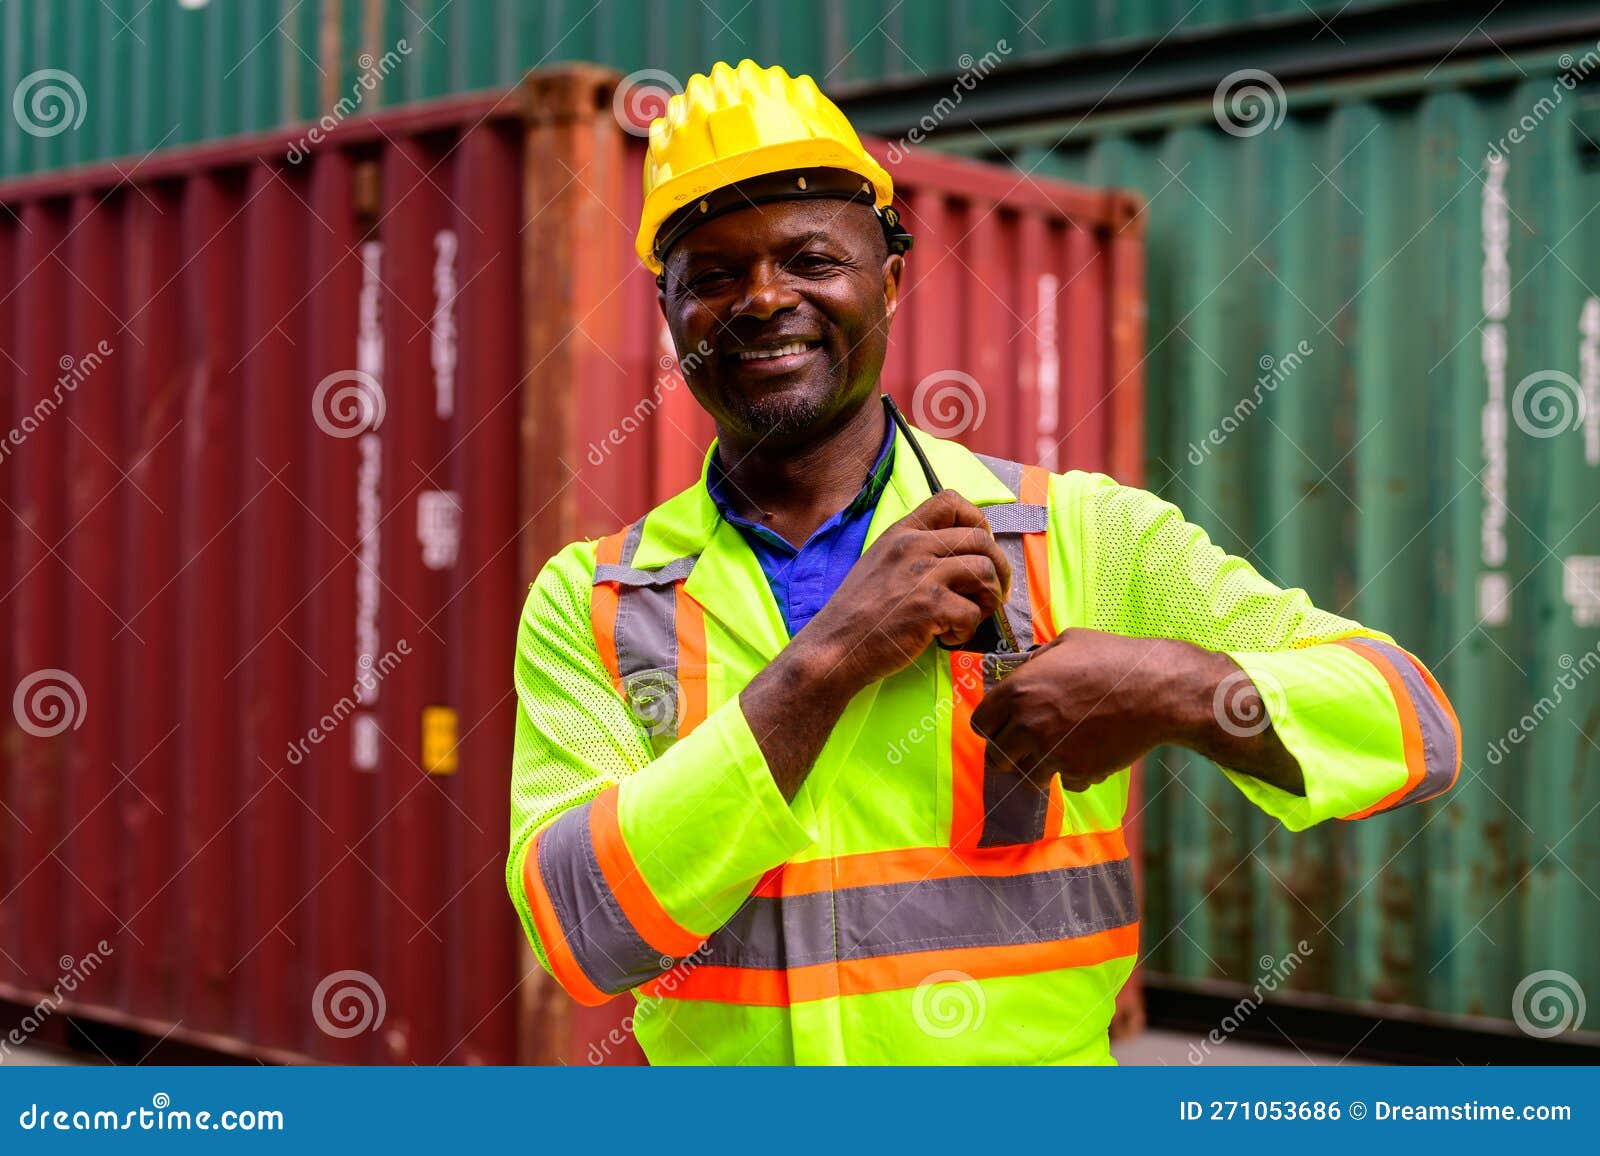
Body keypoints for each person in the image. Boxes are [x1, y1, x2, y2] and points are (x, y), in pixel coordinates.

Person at [505, 59, 1459, 1065]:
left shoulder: (1078, 536)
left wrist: (1177, 685)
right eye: (711, 276)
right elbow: (580, 931)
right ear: (670, 316)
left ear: (890, 279)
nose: (761, 298)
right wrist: (825, 661)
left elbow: (1413, 720)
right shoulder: (599, 600)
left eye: (808, 259)